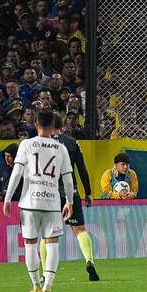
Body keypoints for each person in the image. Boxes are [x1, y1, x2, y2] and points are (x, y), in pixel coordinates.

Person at [3, 107, 75, 292]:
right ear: (53, 126)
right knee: (52, 244)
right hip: (51, 203)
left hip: (29, 203)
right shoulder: (61, 148)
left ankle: (35, 286)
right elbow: (68, 179)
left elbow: (17, 173)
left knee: (30, 244)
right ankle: (47, 289)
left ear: (35, 124)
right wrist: (69, 201)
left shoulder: (26, 144)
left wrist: (8, 198)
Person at [54, 112, 100, 282]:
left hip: (49, 192)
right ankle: (89, 260)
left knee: (48, 235)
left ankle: (46, 274)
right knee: (80, 230)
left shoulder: (42, 144)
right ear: (63, 126)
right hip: (70, 191)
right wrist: (88, 192)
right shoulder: (72, 142)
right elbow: (82, 168)